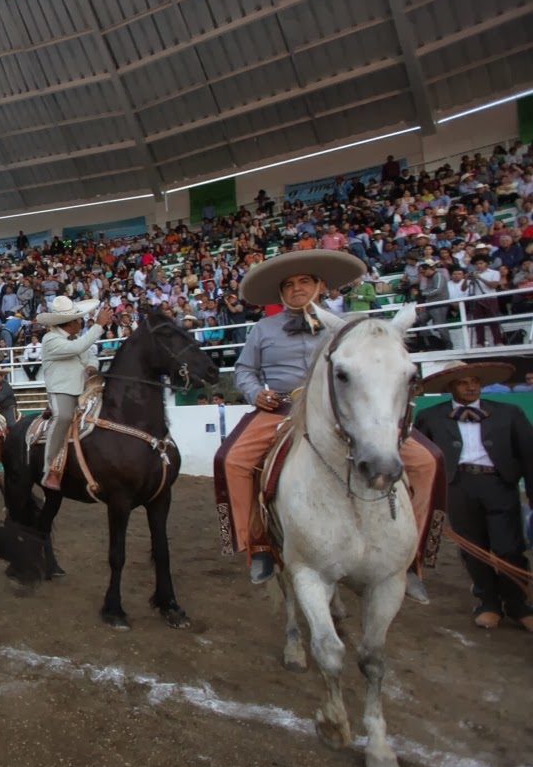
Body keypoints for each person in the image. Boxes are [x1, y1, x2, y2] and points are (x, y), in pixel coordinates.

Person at [213, 249, 442, 600]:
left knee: (428, 461)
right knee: (231, 460)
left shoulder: (354, 325)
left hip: (342, 410)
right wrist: (255, 393)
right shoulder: (262, 328)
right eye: (288, 285)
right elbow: (244, 370)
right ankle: (258, 545)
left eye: (304, 281)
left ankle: (411, 560)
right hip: (282, 408)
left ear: (320, 286)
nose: (296, 289)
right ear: (280, 293)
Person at [413, 361, 533, 632]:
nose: (471, 387)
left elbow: (529, 455)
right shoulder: (430, 417)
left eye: (475, 381)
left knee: (509, 548)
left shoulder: (509, 413)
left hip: (499, 485)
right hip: (457, 487)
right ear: (450, 387)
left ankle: (518, 605)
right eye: (463, 383)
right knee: (472, 549)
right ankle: (488, 603)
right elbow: (421, 457)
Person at [36, 295, 114, 491]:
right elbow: (77, 348)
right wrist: (99, 326)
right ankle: (50, 468)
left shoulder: (75, 339)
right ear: (70, 323)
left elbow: (90, 356)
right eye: (79, 319)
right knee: (63, 417)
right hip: (61, 390)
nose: (81, 322)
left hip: (85, 389)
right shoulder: (50, 339)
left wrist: (91, 367)